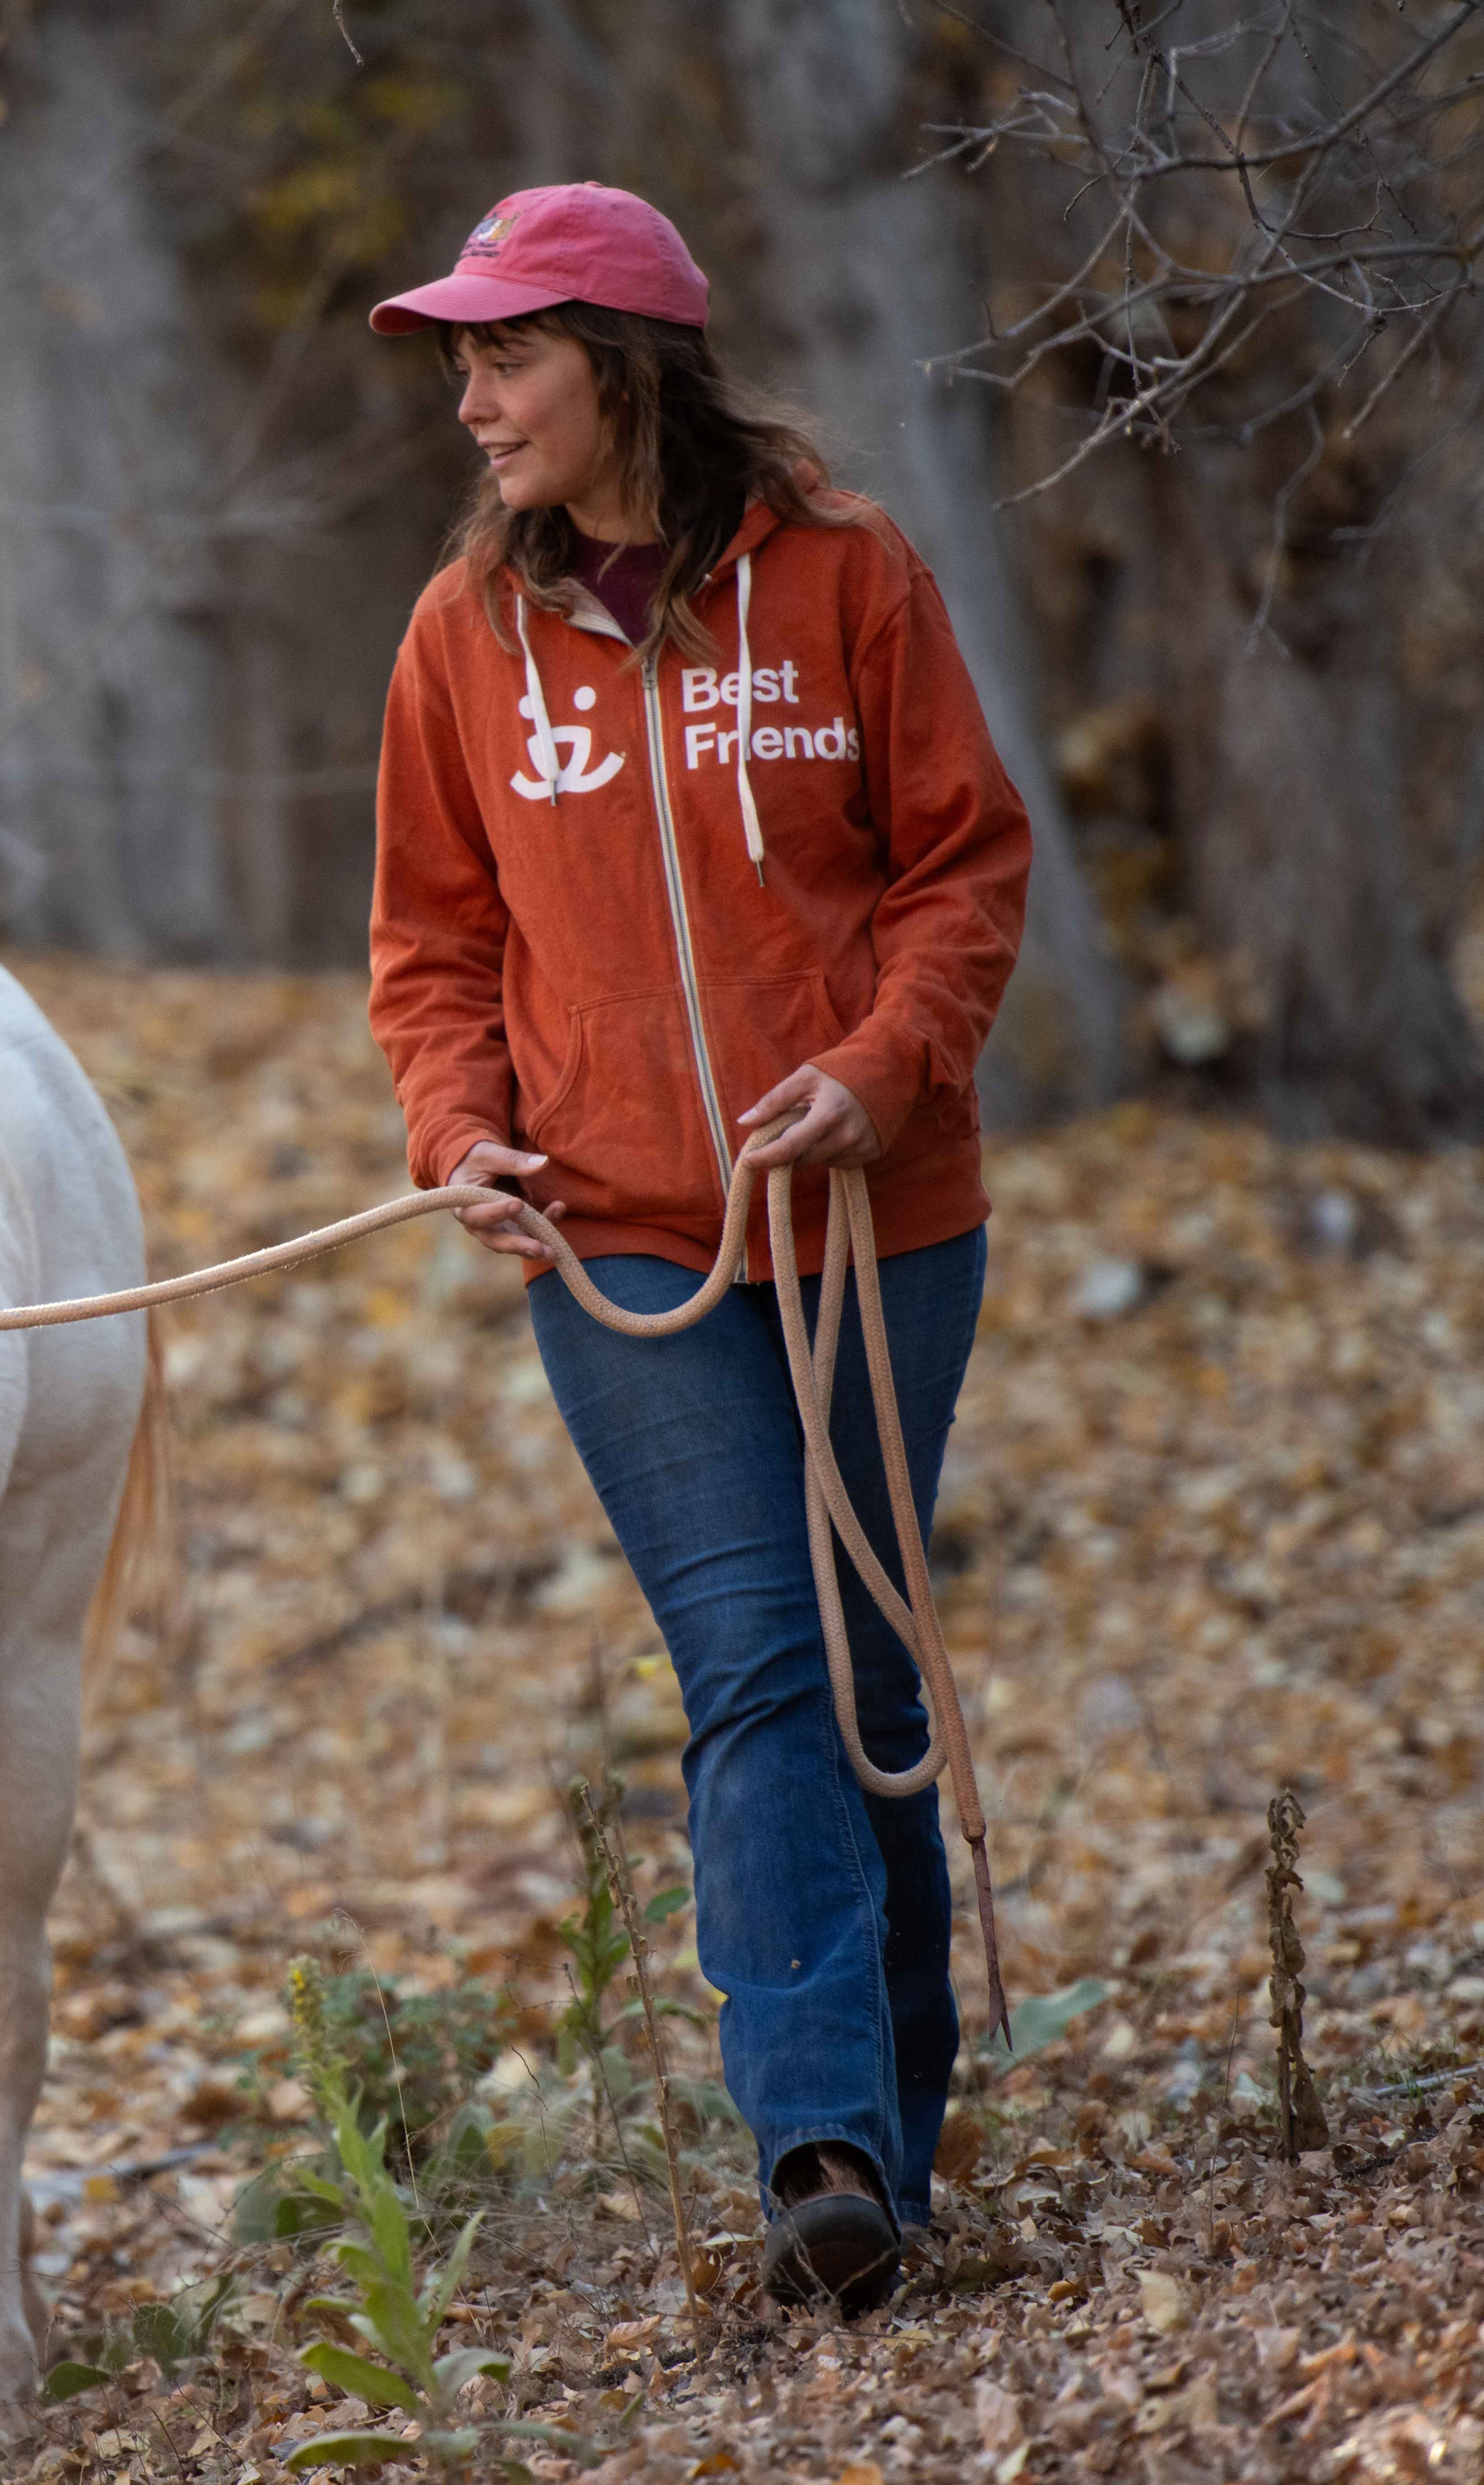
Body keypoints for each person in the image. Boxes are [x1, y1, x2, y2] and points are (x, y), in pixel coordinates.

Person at [363, 183, 1030, 2315]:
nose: (470, 401)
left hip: (871, 1217)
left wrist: (882, 1063)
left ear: (624, 365)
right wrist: (462, 1132)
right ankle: (820, 2144)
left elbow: (963, 866)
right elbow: (429, 944)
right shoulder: (463, 639)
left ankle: (888, 2150)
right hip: (625, 1249)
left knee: (862, 1675)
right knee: (758, 1665)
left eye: (504, 357)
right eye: (462, 362)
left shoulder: (849, 579)